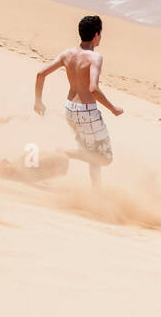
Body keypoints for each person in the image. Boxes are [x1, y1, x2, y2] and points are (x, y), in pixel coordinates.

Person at [34, 15, 123, 188]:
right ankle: (64, 152)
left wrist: (38, 101)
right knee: (105, 158)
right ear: (97, 35)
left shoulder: (67, 54)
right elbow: (93, 89)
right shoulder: (94, 58)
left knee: (92, 152)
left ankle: (97, 192)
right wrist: (113, 108)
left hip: (70, 109)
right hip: (86, 112)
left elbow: (40, 74)